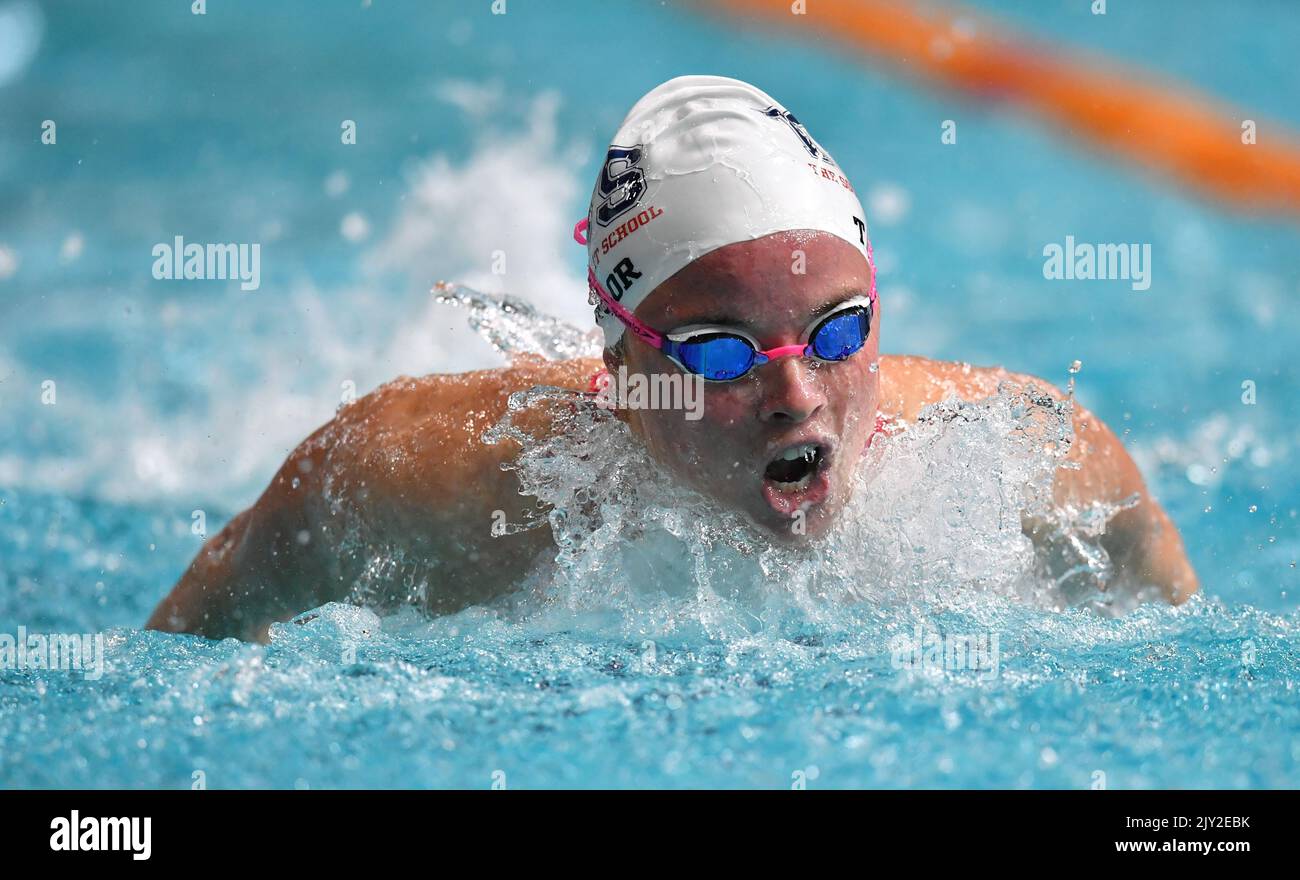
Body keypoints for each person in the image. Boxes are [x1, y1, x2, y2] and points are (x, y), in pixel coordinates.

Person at [147, 75, 1198, 642]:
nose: (798, 395)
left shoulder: (1015, 451)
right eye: (720, 349)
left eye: (838, 330)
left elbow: (1172, 621)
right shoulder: (418, 481)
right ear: (616, 354)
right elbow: (189, 642)